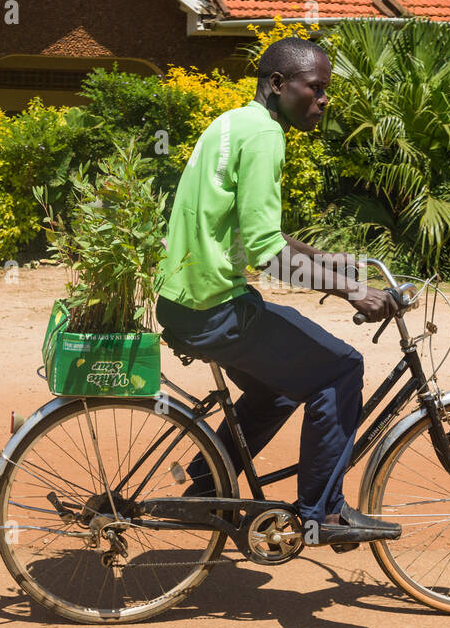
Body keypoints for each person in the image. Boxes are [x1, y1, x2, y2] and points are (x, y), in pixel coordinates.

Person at [154, 37, 402, 547]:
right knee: (341, 367)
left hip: (186, 301)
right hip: (215, 307)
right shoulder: (266, 136)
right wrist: (351, 291)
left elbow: (255, 230)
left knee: (282, 388)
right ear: (278, 84)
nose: (324, 100)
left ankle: (204, 489)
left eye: (325, 90)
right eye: (316, 88)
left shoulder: (232, 124)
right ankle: (324, 513)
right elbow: (268, 254)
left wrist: (324, 260)